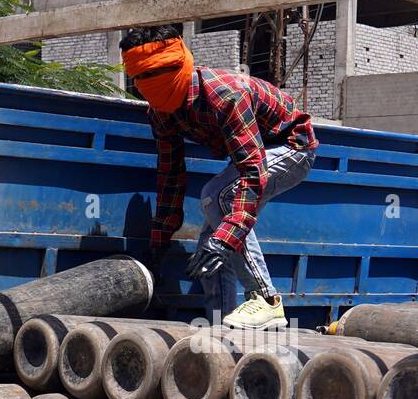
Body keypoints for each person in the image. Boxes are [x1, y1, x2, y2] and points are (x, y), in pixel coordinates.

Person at [119, 25, 318, 330]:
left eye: (155, 76)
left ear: (179, 64)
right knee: (207, 254)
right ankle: (221, 326)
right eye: (142, 79)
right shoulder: (160, 112)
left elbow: (252, 174)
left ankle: (265, 299)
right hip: (254, 156)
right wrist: (157, 245)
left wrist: (227, 239)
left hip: (292, 147)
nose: (148, 85)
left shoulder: (226, 95)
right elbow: (170, 175)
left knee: (219, 197)